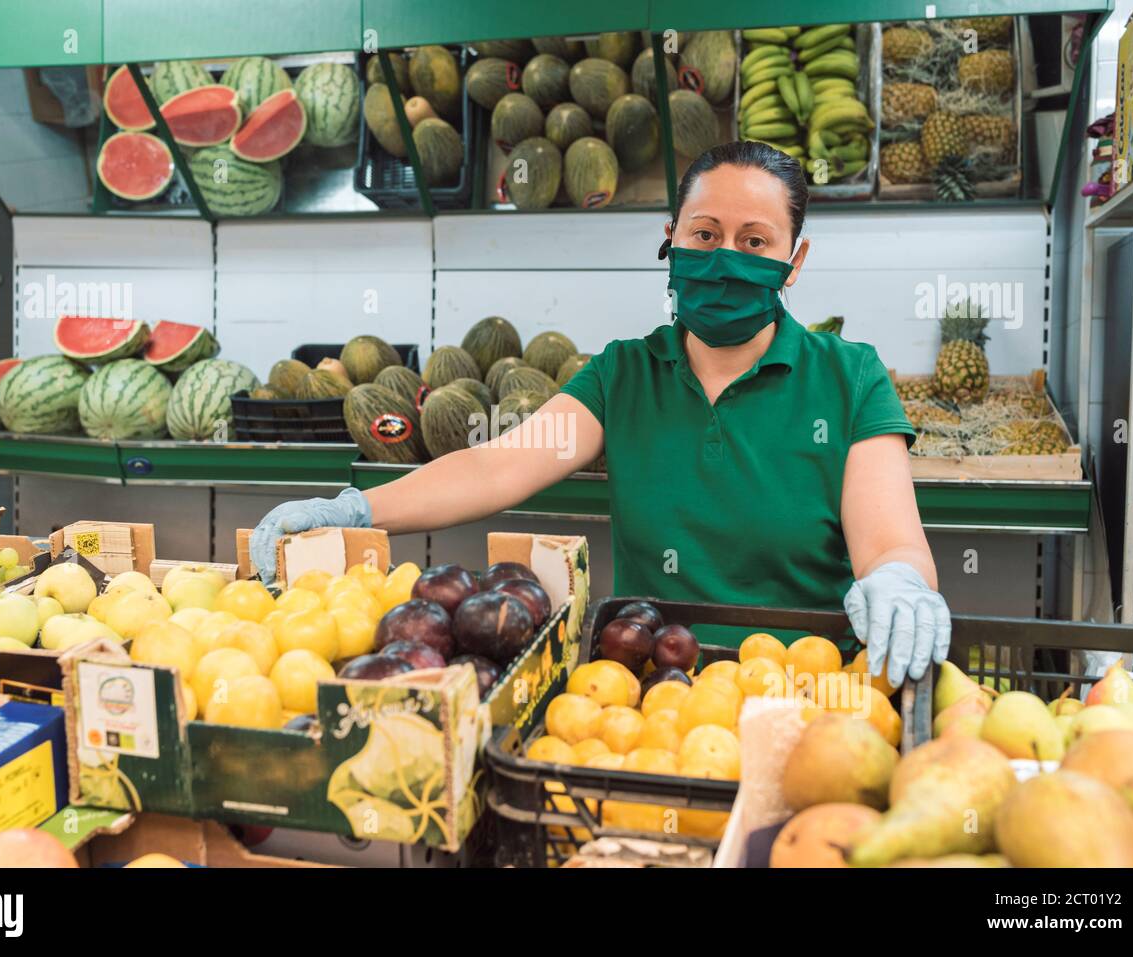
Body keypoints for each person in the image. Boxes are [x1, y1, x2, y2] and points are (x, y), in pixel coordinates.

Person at [253, 141, 950, 689]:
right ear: (670, 238)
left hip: (812, 692)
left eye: (755, 241)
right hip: (650, 692)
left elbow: (889, 540)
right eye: (705, 236)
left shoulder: (850, 377)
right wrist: (353, 511)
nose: (726, 257)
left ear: (793, 262)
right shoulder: (624, 375)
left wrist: (899, 580)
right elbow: (499, 464)